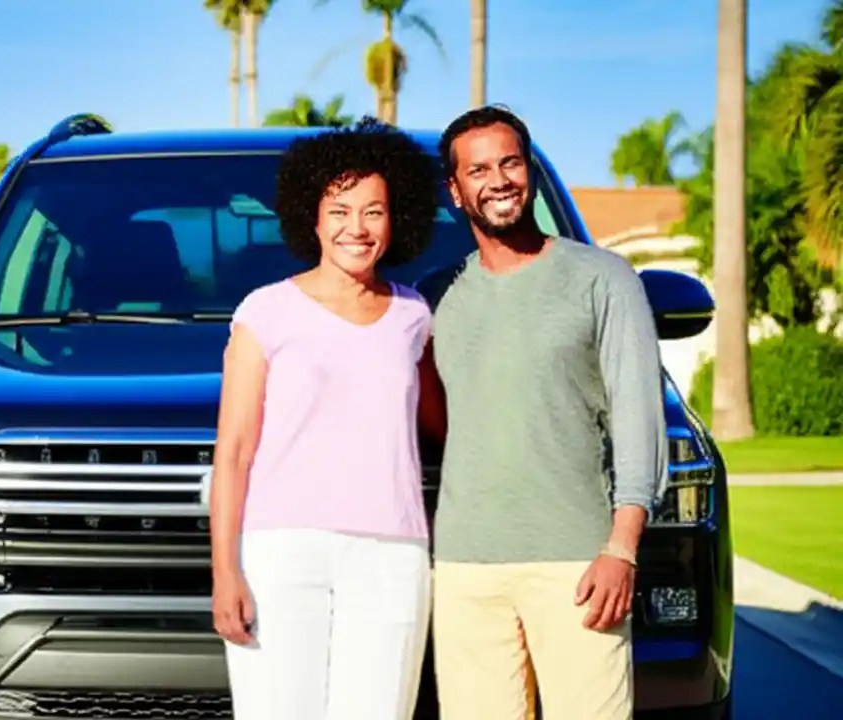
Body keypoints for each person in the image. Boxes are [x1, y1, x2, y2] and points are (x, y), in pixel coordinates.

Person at [427, 104, 667, 720]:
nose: (498, 180)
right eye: (479, 170)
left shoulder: (603, 278)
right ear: (455, 191)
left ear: (529, 171)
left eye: (510, 163)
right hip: (466, 568)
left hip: (578, 564)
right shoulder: (438, 298)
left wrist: (621, 549)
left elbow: (638, 419)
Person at [209, 118, 445, 720]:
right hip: (281, 552)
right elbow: (233, 452)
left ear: (397, 219)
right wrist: (225, 571)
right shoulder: (264, 312)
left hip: (393, 555)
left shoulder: (416, 317)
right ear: (311, 219)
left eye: (373, 212)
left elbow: (446, 428)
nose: (356, 228)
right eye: (339, 211)